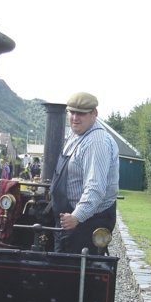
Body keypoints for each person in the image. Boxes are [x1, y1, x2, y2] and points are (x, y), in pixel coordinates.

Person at [49, 91, 119, 255]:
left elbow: (95, 188)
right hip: (69, 220)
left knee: (76, 273)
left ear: (94, 114)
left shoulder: (96, 142)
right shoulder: (75, 135)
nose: (75, 117)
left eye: (81, 113)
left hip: (86, 223)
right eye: (72, 112)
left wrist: (77, 217)